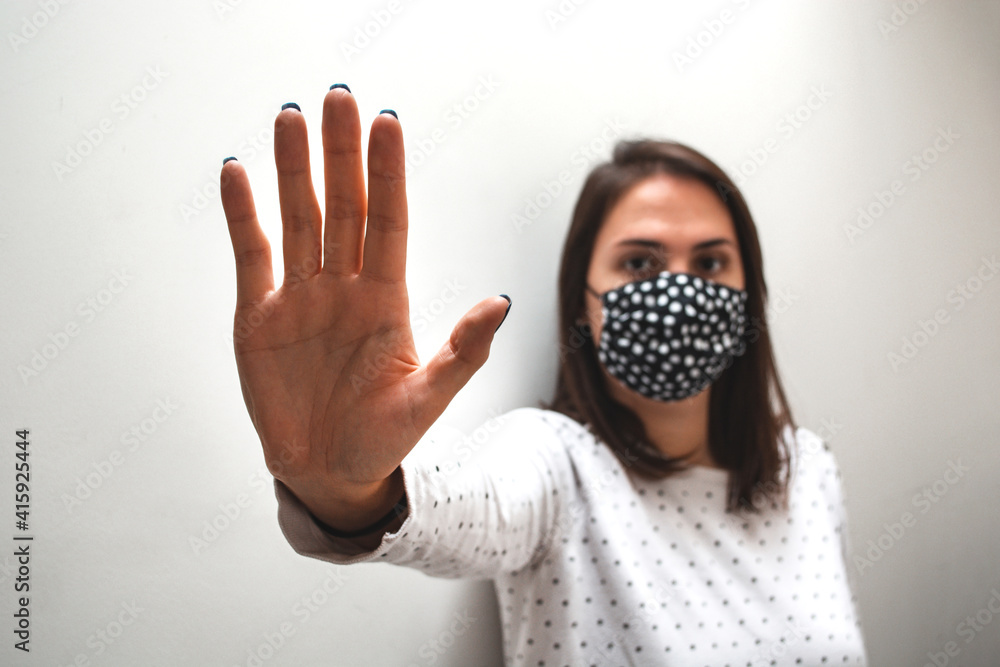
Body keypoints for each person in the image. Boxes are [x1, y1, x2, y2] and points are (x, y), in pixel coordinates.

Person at [220, 85, 868, 666]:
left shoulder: (807, 470)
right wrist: (348, 490)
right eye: (640, 262)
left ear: (748, 290)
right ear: (582, 295)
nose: (678, 288)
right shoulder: (557, 466)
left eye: (711, 262)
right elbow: (468, 508)